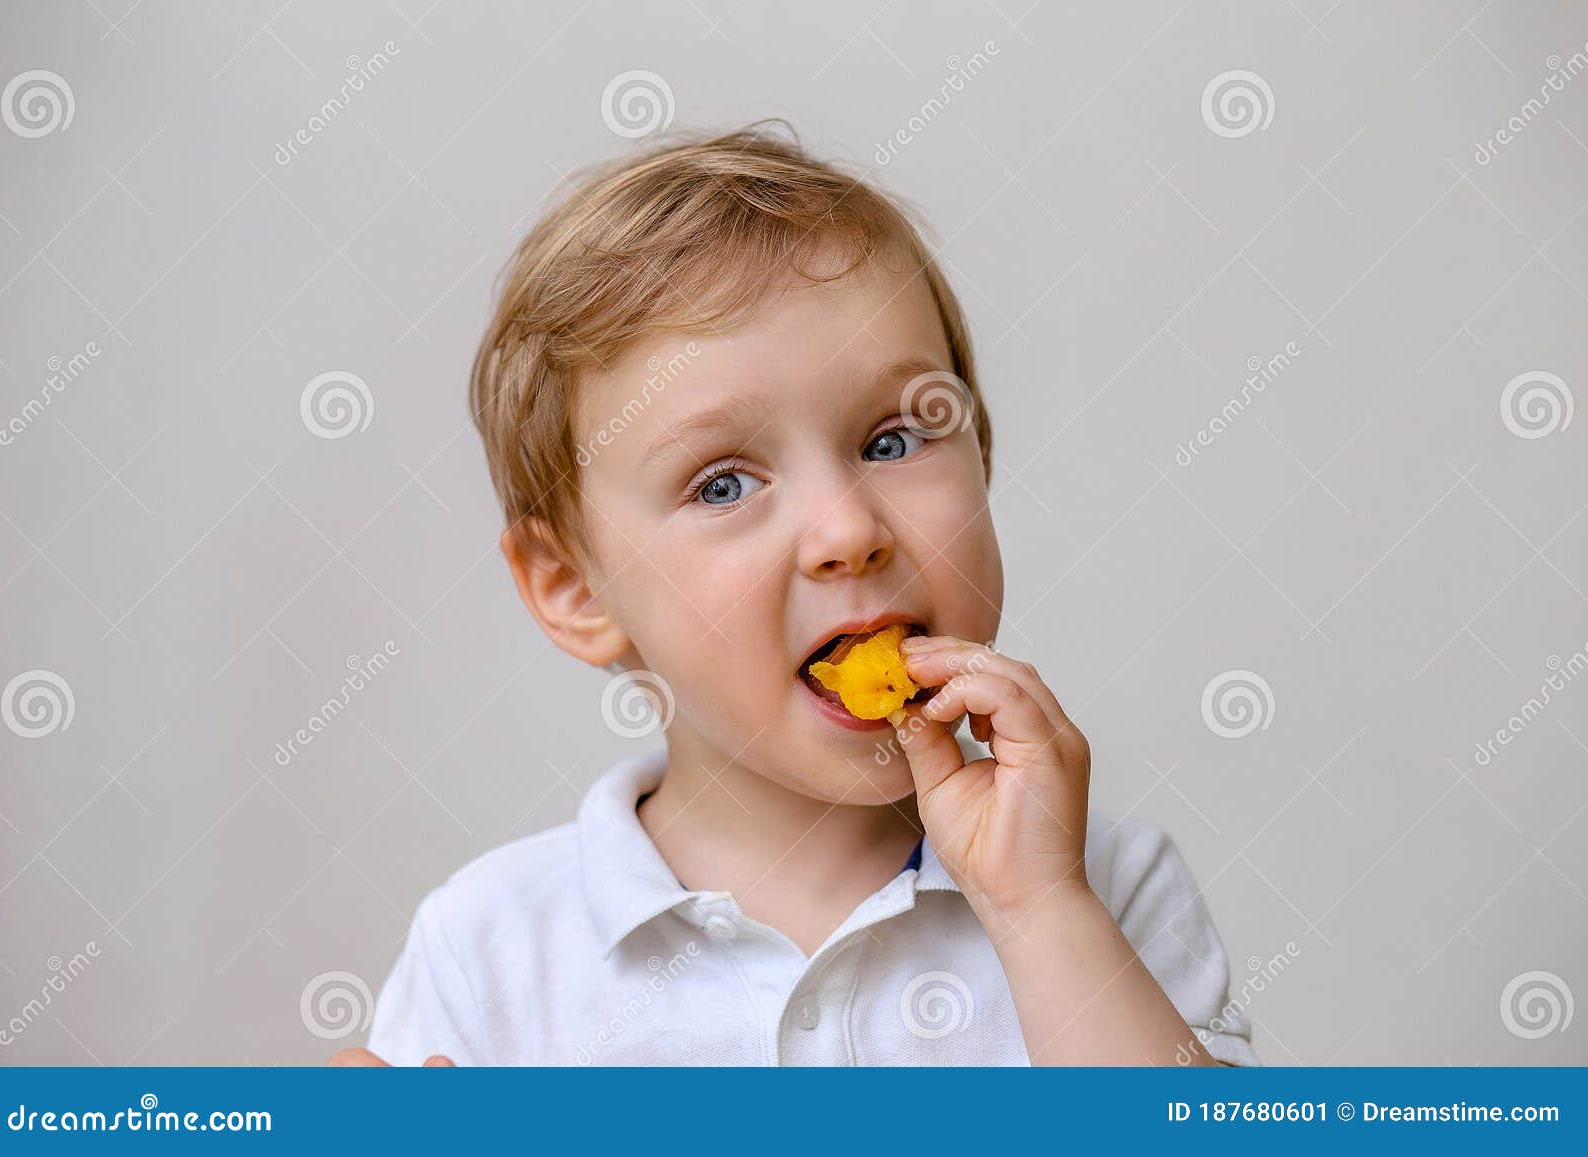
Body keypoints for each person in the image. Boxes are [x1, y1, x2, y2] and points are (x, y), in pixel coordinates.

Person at [329, 121, 1257, 1067]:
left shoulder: (1103, 887)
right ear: (576, 588)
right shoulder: (489, 952)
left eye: (893, 440)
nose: (850, 532)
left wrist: (1041, 911)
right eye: (722, 484)